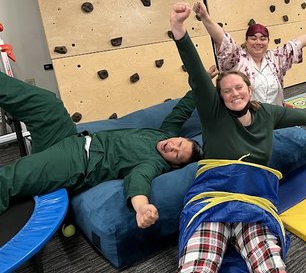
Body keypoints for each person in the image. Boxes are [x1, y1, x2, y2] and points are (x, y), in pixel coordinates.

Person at [170, 2, 306, 272]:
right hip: (213, 201)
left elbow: (301, 116)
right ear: (219, 96)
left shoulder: (267, 113)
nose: (234, 94)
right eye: (226, 90)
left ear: (249, 88)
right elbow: (196, 72)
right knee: (198, 265)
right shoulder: (214, 113)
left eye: (239, 87)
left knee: (271, 264)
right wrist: (178, 28)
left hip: (254, 201)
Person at [0, 73, 203, 229]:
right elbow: (181, 111)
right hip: (72, 137)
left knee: (8, 179)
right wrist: (200, 83)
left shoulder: (153, 163)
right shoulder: (164, 134)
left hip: (77, 161)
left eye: (176, 153)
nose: (172, 146)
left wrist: (142, 208)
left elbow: (139, 182)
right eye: (179, 142)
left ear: (173, 164)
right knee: (47, 103)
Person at [193, 0, 306, 105]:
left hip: (274, 114)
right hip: (246, 118)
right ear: (246, 41)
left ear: (268, 41)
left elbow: (296, 44)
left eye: (263, 39)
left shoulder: (275, 57)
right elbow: (223, 39)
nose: (258, 42)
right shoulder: (237, 58)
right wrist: (205, 17)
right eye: (253, 38)